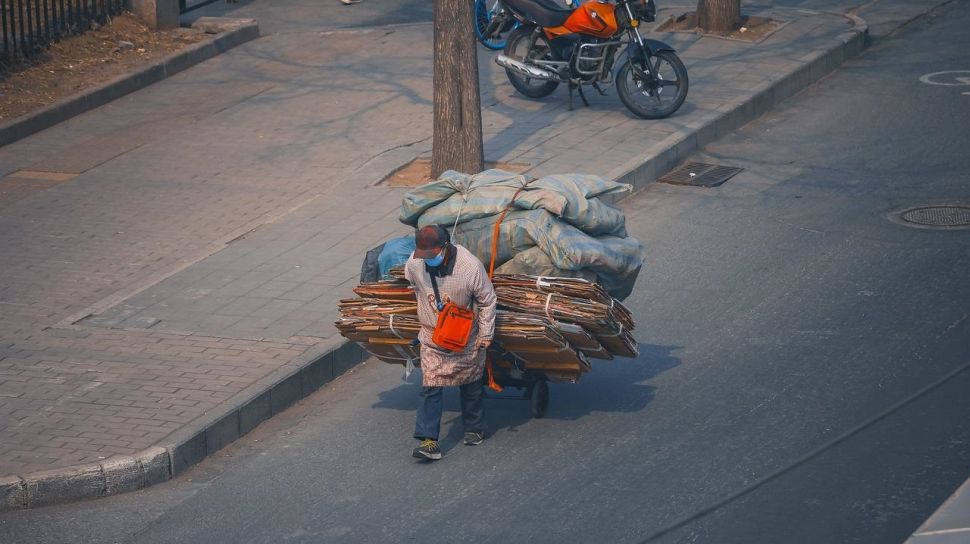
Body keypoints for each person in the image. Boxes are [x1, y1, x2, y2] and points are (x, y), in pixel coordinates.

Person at [404, 225, 496, 461]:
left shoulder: (470, 267)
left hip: (465, 336)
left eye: (431, 255)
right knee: (430, 387)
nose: (427, 259)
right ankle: (428, 441)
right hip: (432, 336)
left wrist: (486, 335)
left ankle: (474, 428)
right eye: (423, 254)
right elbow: (413, 285)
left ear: (444, 248)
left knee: (471, 384)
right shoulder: (415, 263)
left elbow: (487, 301)